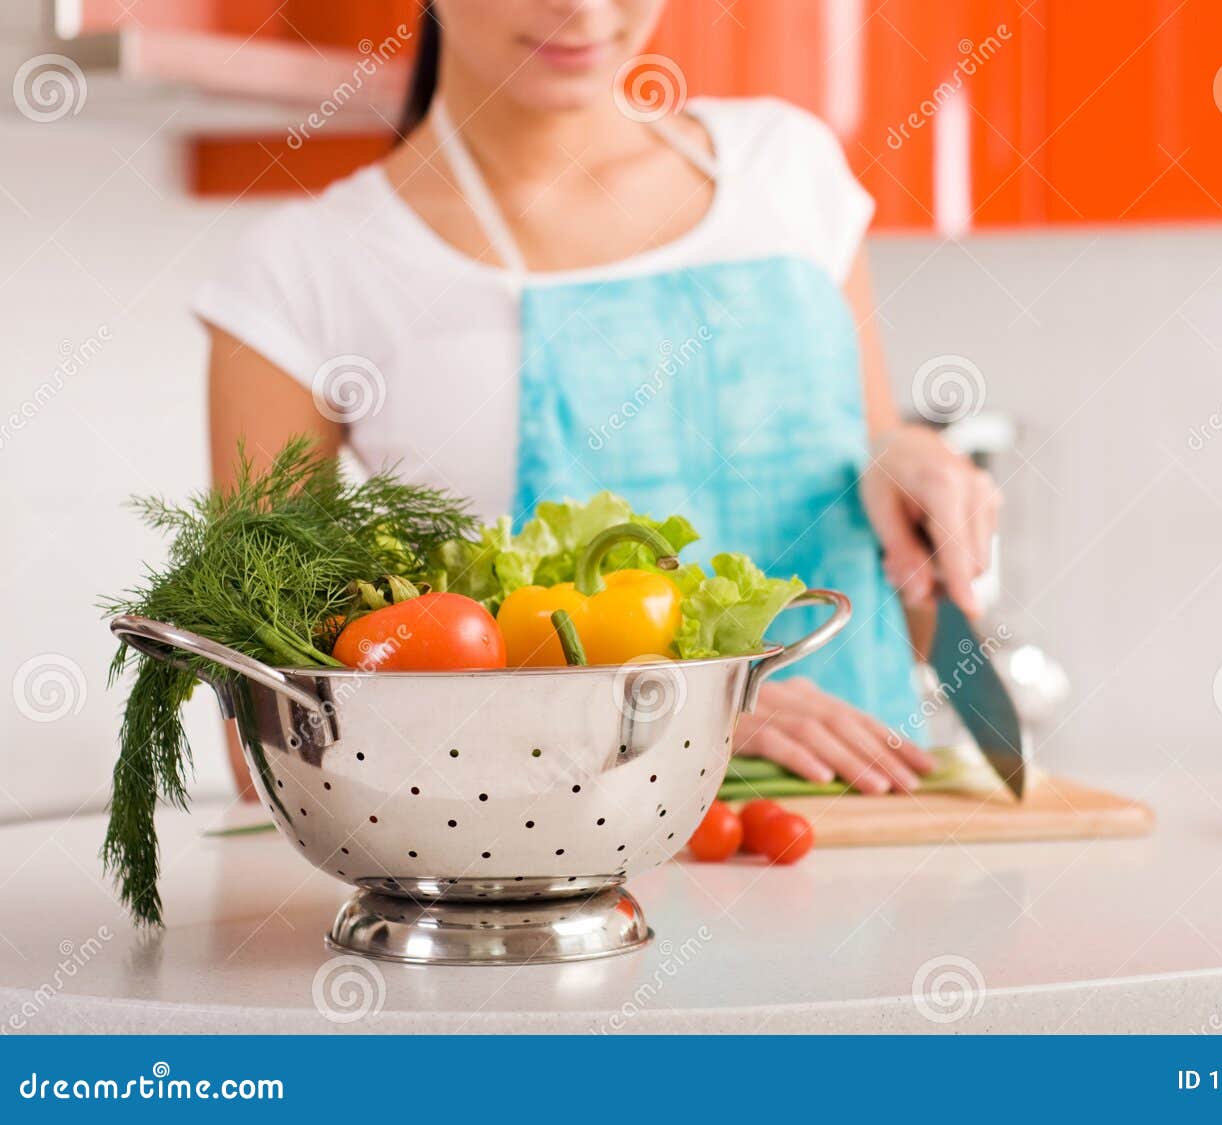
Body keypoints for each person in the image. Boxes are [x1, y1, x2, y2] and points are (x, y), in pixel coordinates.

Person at [197, 0, 999, 797]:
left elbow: (909, 624)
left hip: (874, 834)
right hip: (544, 878)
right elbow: (269, 738)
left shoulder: (785, 171)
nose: (583, 9)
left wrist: (908, 472)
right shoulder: (304, 272)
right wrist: (671, 718)